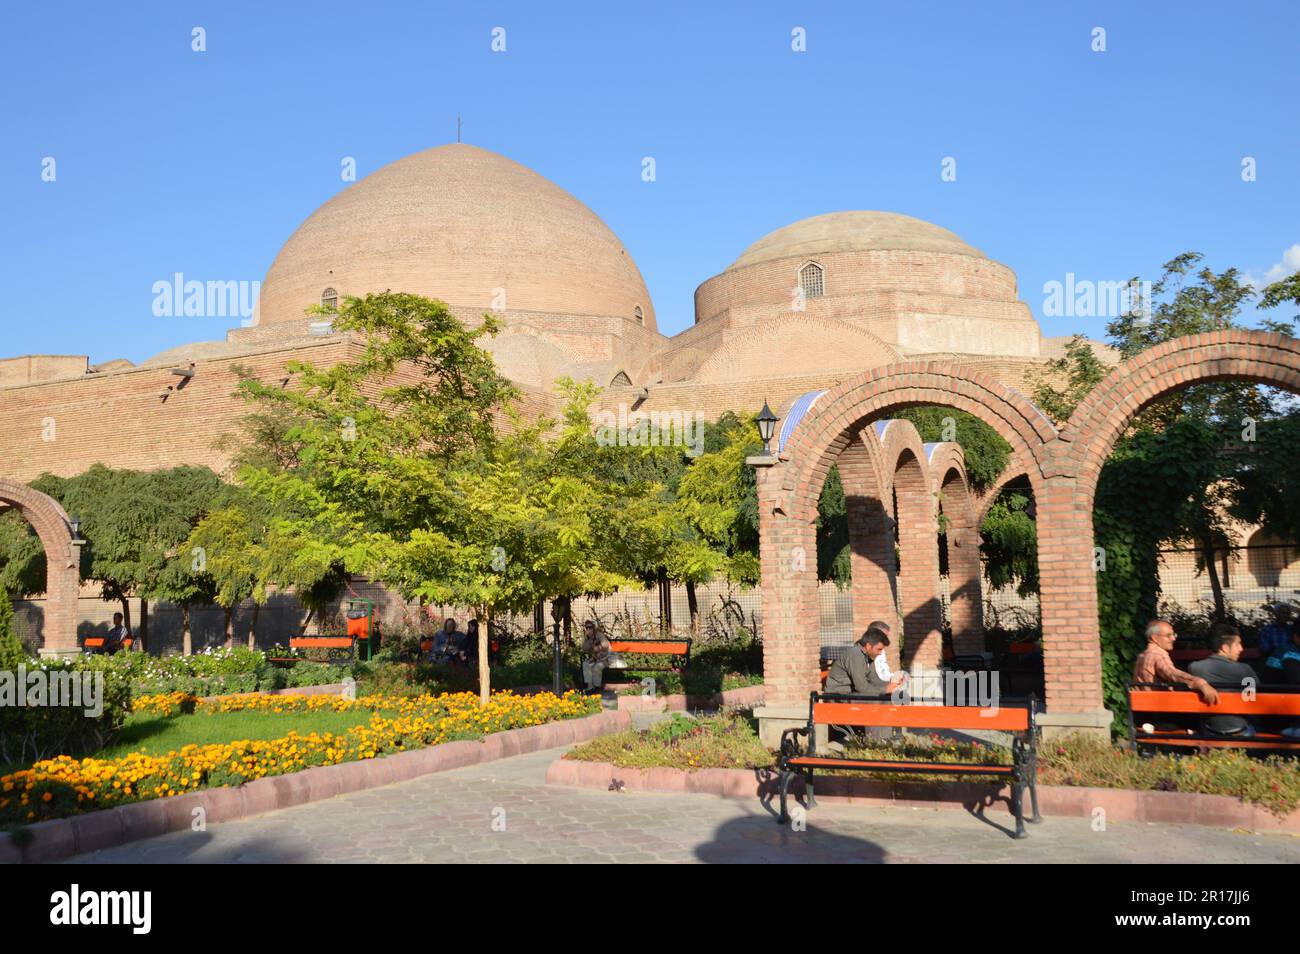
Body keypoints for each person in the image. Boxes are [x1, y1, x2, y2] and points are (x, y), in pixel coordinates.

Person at [1187, 623, 1258, 737]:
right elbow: (1253, 699)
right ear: (1225, 648)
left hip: (1209, 730)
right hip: (1241, 730)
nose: (1241, 648)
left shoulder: (1194, 668)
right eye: (1238, 644)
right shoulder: (1245, 670)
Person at [1132, 619, 1219, 704]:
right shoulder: (1158, 655)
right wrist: (1201, 684)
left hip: (1143, 708)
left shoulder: (1143, 655)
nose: (1173, 638)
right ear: (1154, 638)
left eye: (1173, 634)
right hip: (1158, 709)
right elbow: (1172, 674)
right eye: (1168, 635)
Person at [824, 626, 907, 698]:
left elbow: (874, 679)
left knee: (892, 698)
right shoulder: (855, 655)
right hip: (838, 696)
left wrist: (893, 683)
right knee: (884, 702)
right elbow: (862, 687)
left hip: (851, 694)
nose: (880, 653)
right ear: (868, 646)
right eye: (879, 649)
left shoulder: (868, 656)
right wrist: (886, 689)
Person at [580, 620, 611, 692]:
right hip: (594, 658)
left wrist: (596, 648)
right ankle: (590, 687)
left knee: (597, 667)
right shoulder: (587, 637)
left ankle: (597, 687)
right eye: (586, 627)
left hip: (605, 658)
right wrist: (590, 640)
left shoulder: (599, 635)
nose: (588, 629)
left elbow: (605, 645)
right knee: (586, 664)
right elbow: (584, 649)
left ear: (594, 628)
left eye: (590, 627)